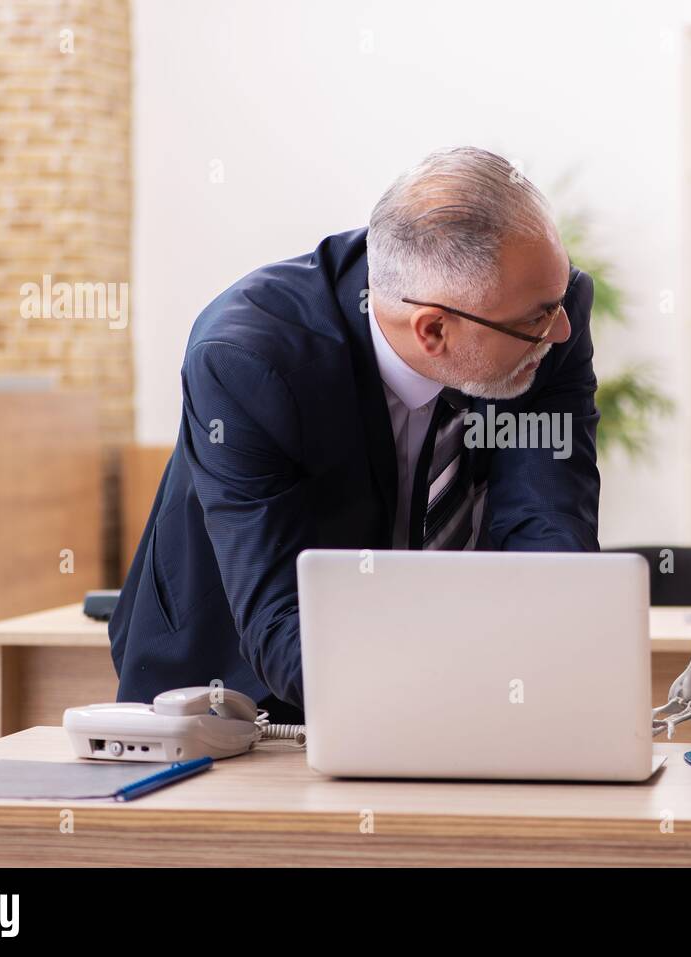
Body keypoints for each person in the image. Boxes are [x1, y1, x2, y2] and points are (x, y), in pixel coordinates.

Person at [108, 147, 601, 722]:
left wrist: (533, 679)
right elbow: (280, 618)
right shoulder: (249, 358)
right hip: (232, 687)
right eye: (539, 319)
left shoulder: (540, 313)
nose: (560, 328)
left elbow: (547, 526)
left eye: (559, 303)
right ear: (434, 329)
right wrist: (451, 696)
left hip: (445, 677)